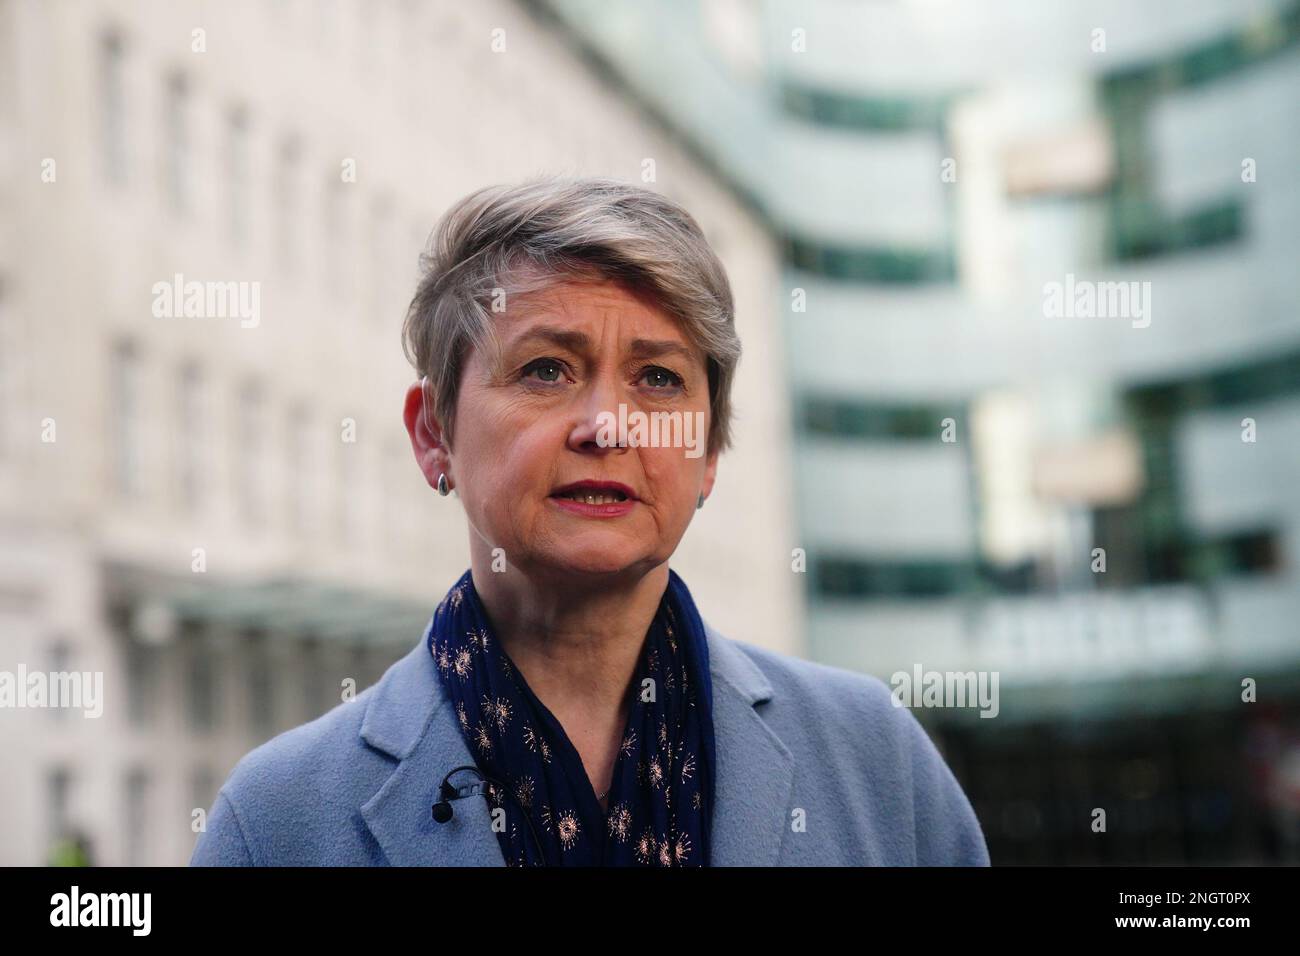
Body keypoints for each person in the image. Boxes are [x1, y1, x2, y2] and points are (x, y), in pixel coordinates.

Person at [190, 175, 989, 866]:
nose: (608, 424)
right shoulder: (277, 820)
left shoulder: (877, 762)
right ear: (434, 433)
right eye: (546, 369)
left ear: (709, 451)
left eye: (659, 379)